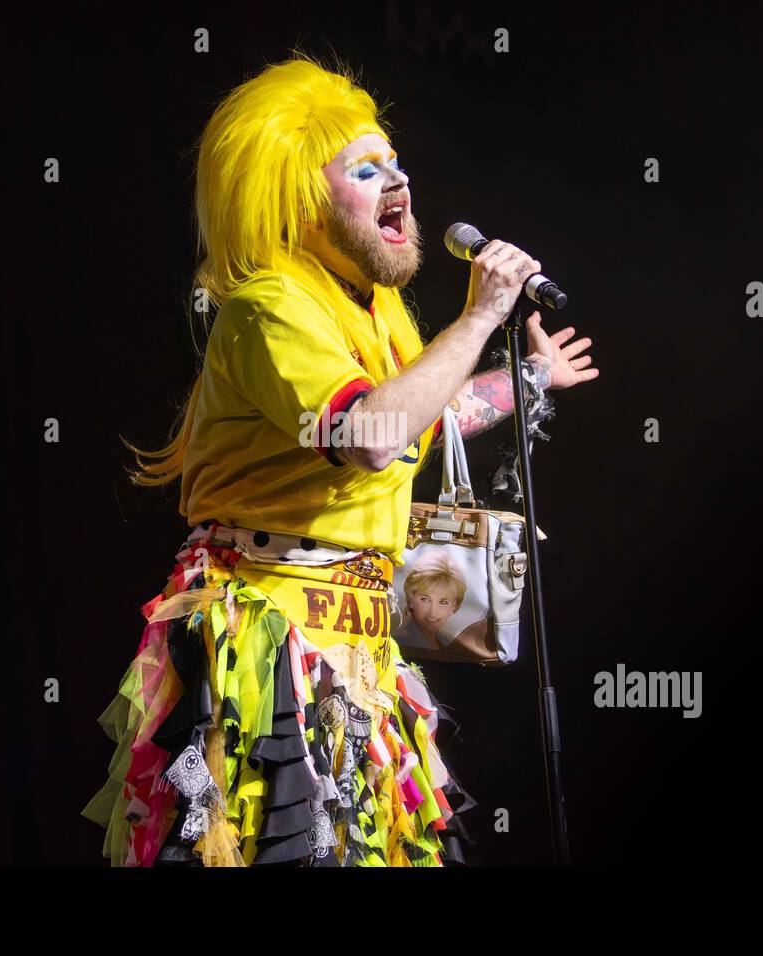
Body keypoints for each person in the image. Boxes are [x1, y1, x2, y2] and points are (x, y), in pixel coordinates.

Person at [82, 54, 599, 867]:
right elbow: (370, 435)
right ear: (301, 200)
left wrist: (528, 376)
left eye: (396, 162)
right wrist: (478, 319)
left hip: (360, 654)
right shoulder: (269, 308)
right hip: (270, 641)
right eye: (366, 169)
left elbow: (426, 421)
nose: (398, 181)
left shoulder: (375, 308)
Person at [402, 556, 468, 651]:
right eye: (425, 599)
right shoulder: (401, 640)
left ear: (453, 606)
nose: (433, 613)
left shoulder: (447, 642)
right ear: (411, 599)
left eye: (443, 602)